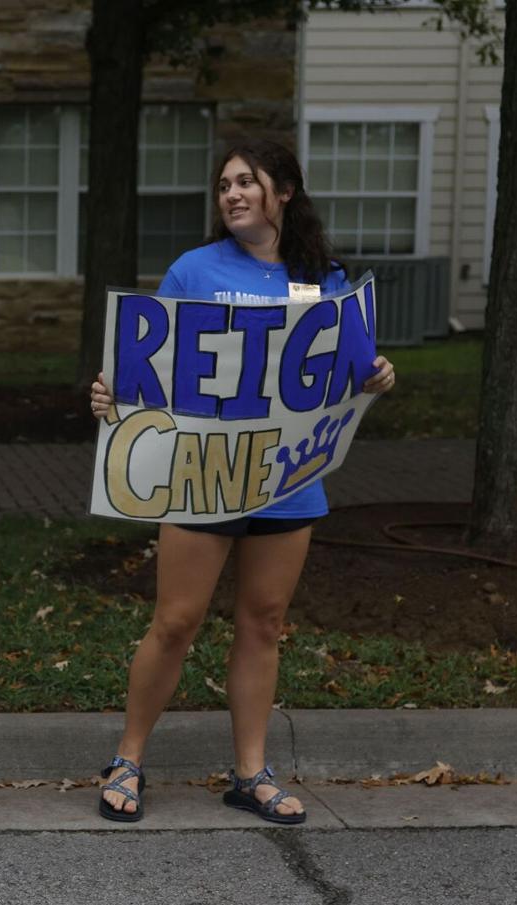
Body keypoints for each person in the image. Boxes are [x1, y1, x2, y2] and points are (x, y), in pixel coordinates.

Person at [88, 138, 397, 825]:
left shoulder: (325, 277)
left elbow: (348, 369)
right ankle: (129, 758)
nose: (230, 194)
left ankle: (251, 772)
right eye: (224, 184)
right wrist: (115, 396)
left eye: (246, 182)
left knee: (264, 622)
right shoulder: (194, 271)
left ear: (283, 193)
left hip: (291, 480)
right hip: (203, 478)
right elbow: (150, 363)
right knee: (176, 620)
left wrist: (378, 375)